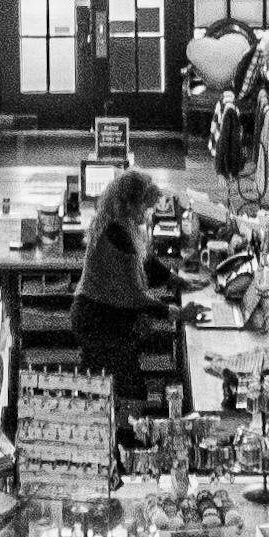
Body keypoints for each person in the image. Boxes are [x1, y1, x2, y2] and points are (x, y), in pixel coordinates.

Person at [72, 165, 189, 402]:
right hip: (99, 320)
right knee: (125, 390)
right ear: (128, 204)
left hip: (103, 315)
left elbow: (145, 260)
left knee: (117, 384)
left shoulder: (122, 224)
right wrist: (175, 312)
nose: (146, 214)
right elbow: (134, 296)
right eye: (144, 207)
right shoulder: (116, 233)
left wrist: (174, 280)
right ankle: (122, 432)